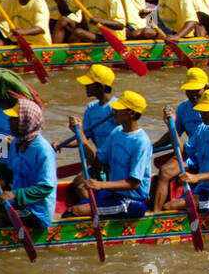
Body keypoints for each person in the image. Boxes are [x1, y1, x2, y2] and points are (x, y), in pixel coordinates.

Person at [0, 98, 56, 230]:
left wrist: (14, 194)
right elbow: (10, 173)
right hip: (20, 204)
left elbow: (46, 187)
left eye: (13, 119)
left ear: (25, 122)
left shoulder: (42, 150)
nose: (8, 121)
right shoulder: (16, 143)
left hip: (36, 211)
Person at [64, 90, 152, 218]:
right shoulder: (117, 132)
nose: (113, 111)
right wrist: (81, 135)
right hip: (113, 194)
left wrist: (100, 185)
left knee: (76, 212)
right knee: (70, 211)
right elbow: (97, 161)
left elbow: (134, 183)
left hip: (132, 202)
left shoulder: (141, 142)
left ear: (131, 113)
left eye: (119, 109)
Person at [151, 67, 209, 211]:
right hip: (190, 152)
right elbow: (173, 133)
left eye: (197, 90)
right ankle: (156, 213)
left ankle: (157, 217)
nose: (192, 94)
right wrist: (152, 147)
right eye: (189, 90)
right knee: (164, 171)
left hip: (207, 155)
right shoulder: (184, 108)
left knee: (166, 170)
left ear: (206, 88)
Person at [72, 64, 120, 162]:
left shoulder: (118, 108)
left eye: (89, 84)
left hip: (115, 157)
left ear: (100, 86)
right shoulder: (91, 108)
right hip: (100, 158)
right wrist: (60, 144)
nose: (85, 86)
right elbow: (83, 136)